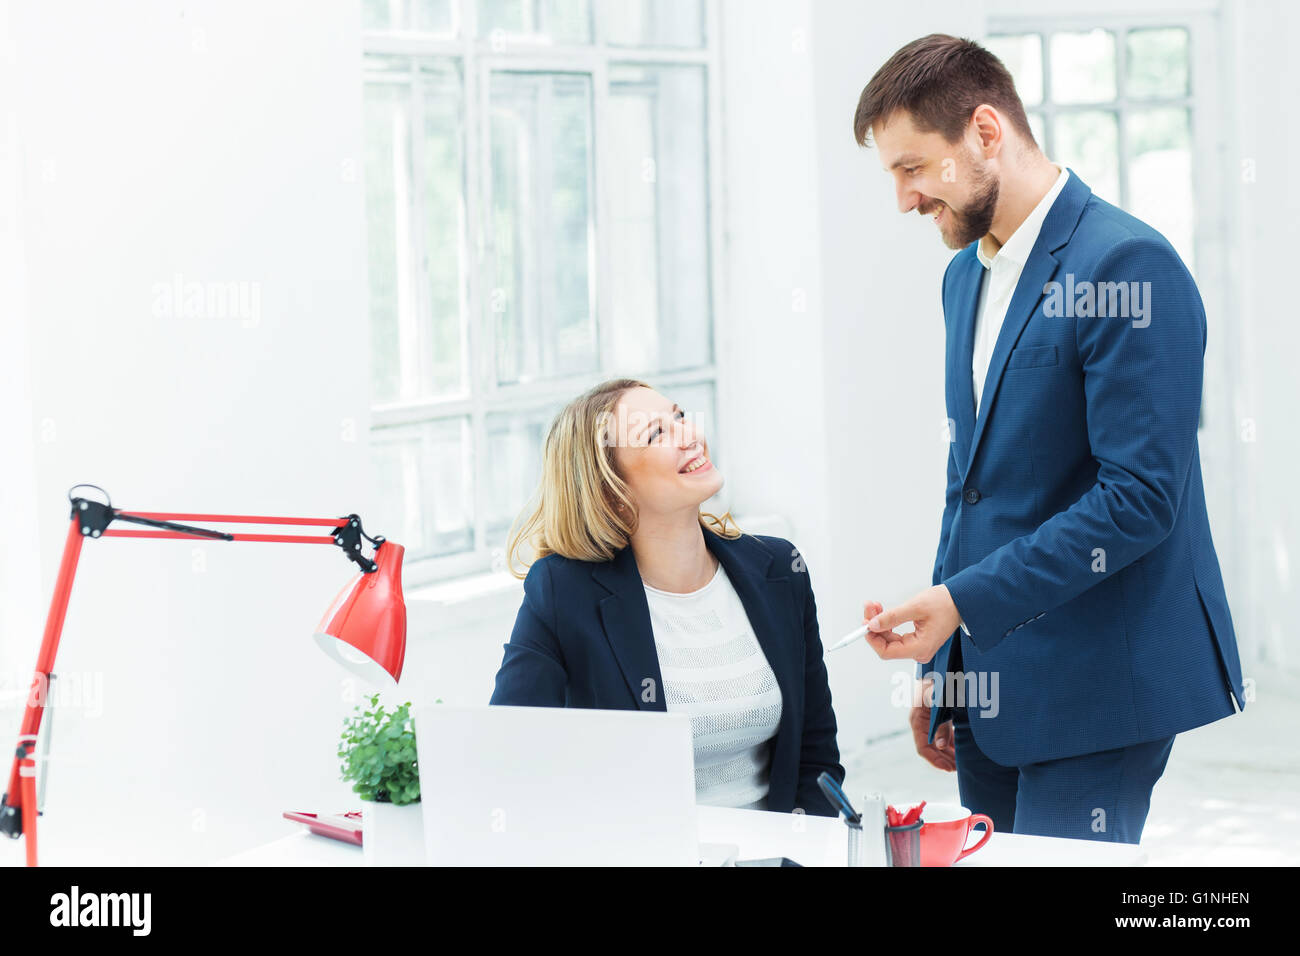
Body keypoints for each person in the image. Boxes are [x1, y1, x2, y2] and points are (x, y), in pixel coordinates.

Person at [850, 34, 1245, 843]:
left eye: (913, 167)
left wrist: (958, 604)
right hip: (993, 682)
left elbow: (1138, 501)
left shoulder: (1128, 266)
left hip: (1105, 680)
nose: (903, 199)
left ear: (986, 133)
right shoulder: (965, 275)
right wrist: (946, 666)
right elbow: (972, 485)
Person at [489, 377, 844, 816]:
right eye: (656, 434)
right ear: (610, 490)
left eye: (678, 417)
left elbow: (816, 759)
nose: (689, 435)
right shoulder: (563, 592)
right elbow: (509, 749)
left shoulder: (779, 569)